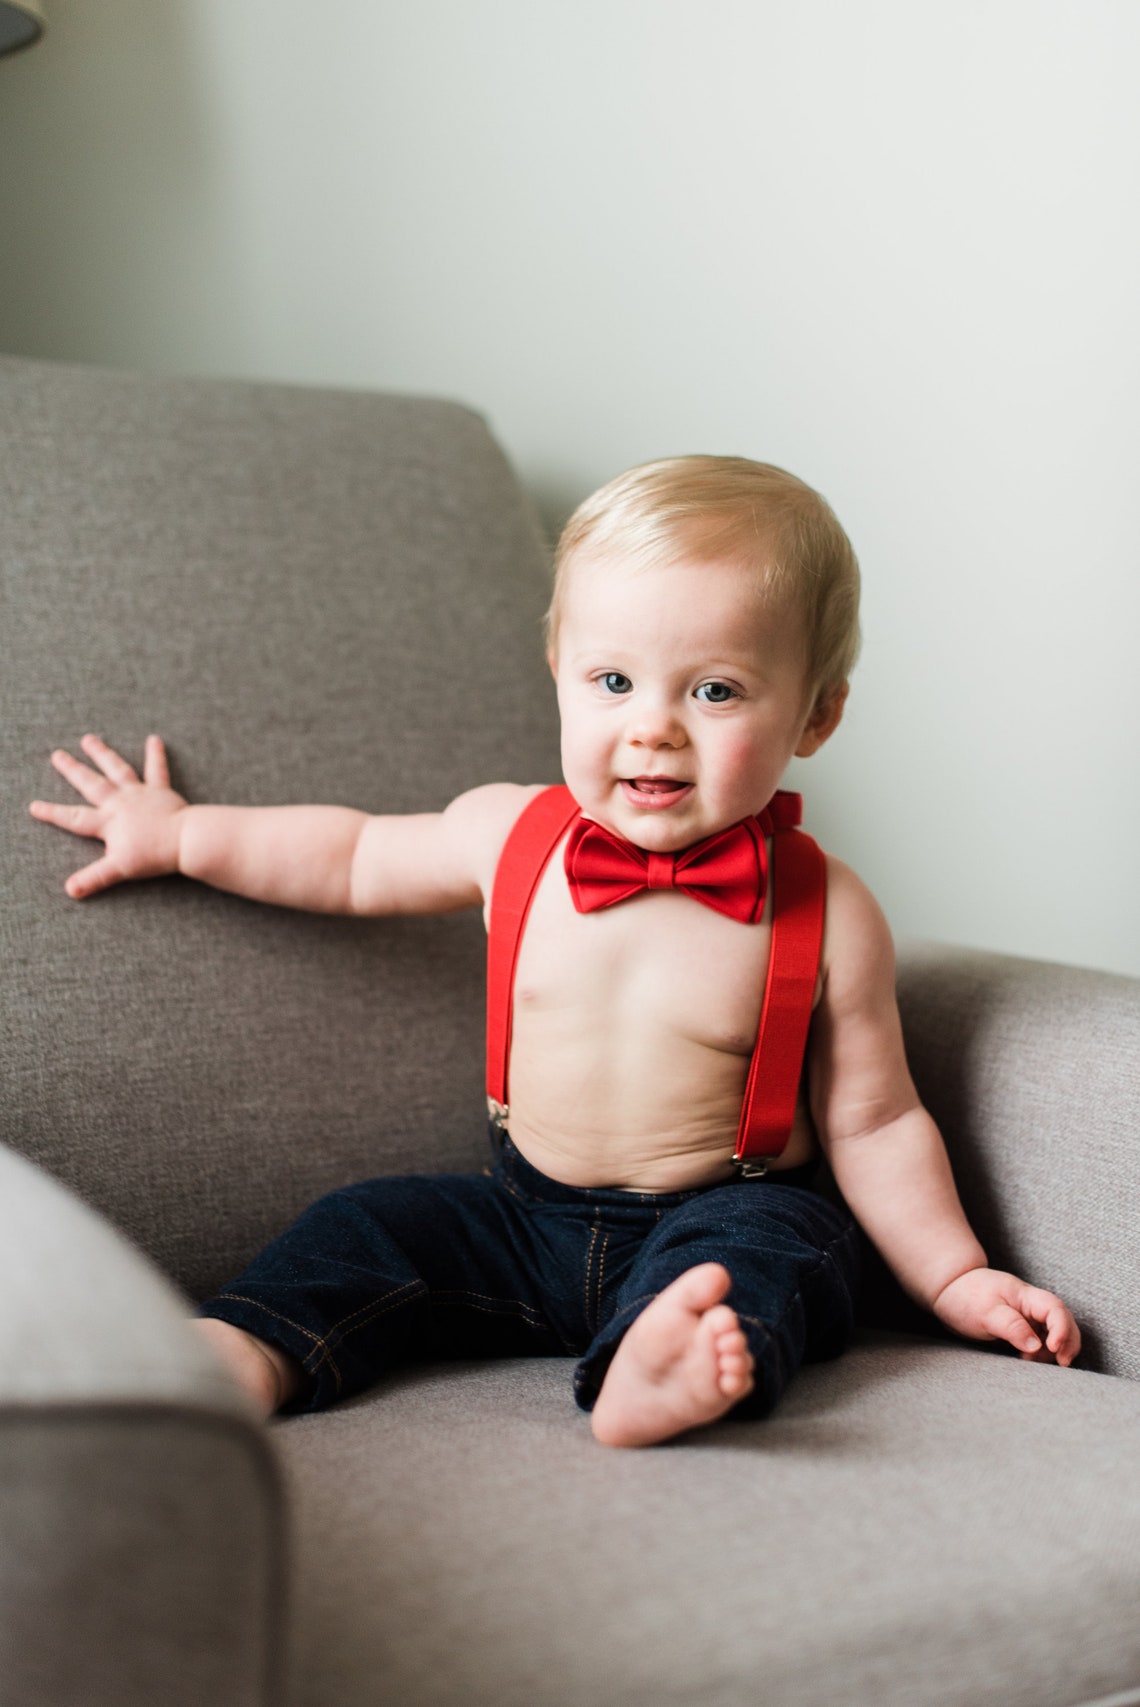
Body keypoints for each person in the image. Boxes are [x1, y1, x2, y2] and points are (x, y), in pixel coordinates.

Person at [28, 456, 1080, 1448]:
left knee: (780, 1254)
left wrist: (955, 1280)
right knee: (366, 1222)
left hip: (719, 1211)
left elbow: (880, 1120)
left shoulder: (831, 909)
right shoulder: (507, 833)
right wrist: (178, 837)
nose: (653, 729)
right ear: (558, 674)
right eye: (613, 680)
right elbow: (349, 856)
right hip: (519, 1219)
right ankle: (241, 1353)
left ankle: (662, 1369)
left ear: (817, 714)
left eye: (714, 691)